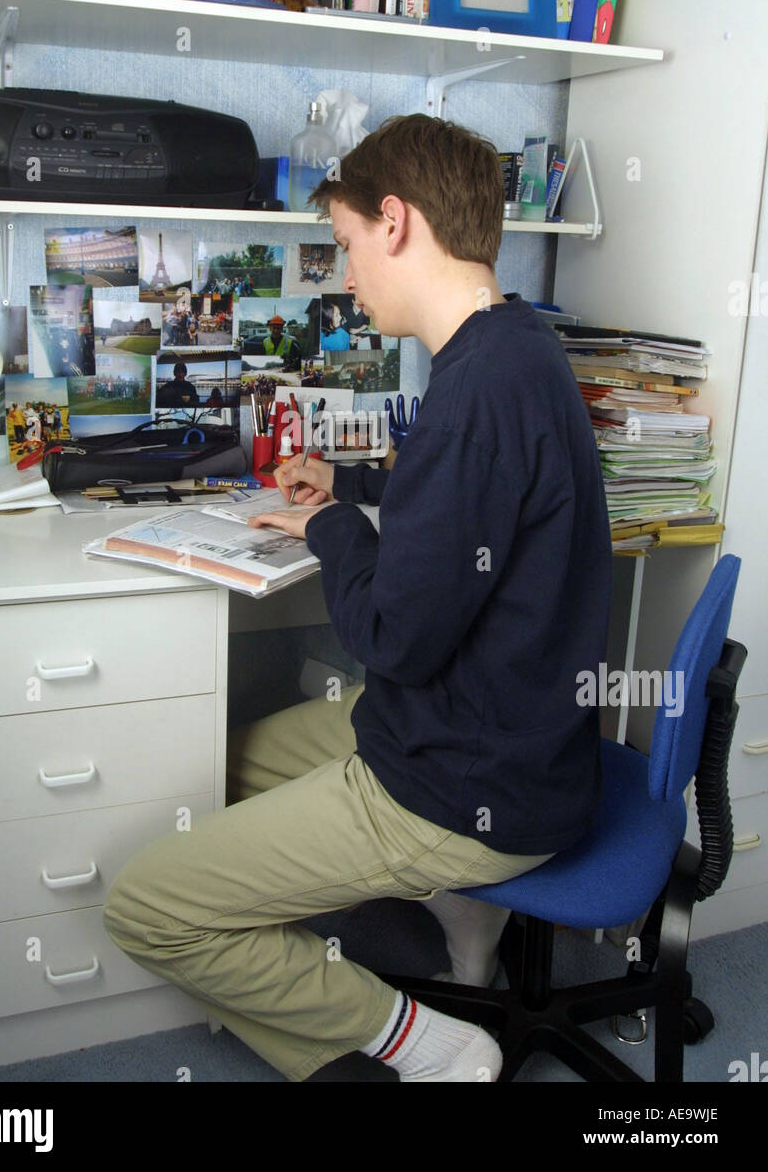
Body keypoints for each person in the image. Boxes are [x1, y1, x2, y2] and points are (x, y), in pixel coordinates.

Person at [103, 113, 613, 1083]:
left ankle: (425, 1042)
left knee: (147, 905)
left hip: (452, 786)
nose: (343, 274)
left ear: (393, 220)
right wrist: (350, 491)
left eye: (342, 245)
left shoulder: (471, 393)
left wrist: (330, 530)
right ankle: (451, 934)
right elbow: (470, 504)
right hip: (512, 751)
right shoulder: (515, 349)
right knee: (238, 754)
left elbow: (389, 636)